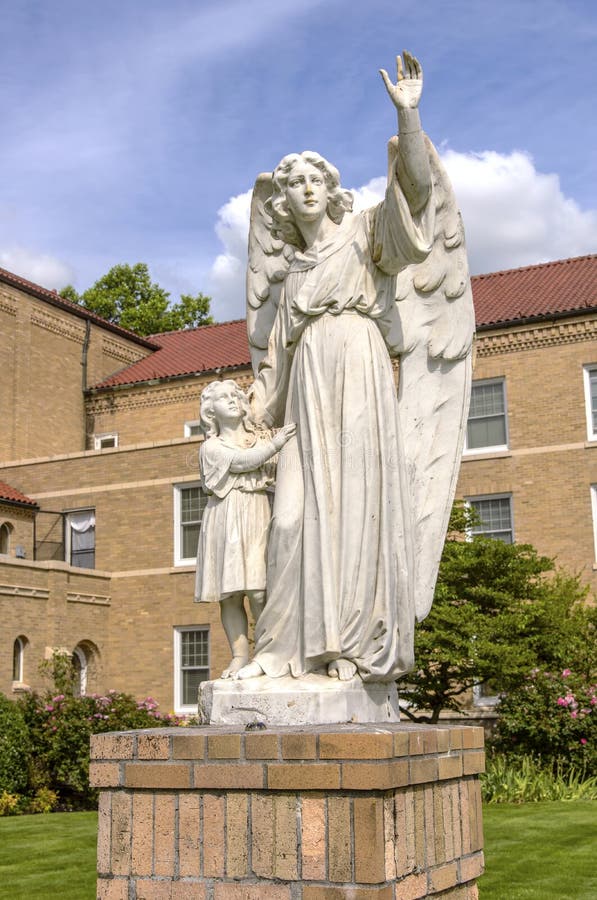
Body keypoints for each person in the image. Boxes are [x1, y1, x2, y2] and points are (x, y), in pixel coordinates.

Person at [236, 52, 441, 683]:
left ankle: (346, 647)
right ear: (281, 204)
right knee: (291, 519)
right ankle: (280, 651)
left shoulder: (365, 233)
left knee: (353, 513)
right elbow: (275, 359)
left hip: (356, 367)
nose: (303, 188)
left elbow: (415, 194)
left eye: (314, 180)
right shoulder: (291, 273)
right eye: (292, 182)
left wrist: (408, 121)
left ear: (330, 191)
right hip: (306, 390)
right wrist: (253, 420)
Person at [194, 379, 295, 678]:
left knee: (260, 589)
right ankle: (240, 655)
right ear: (210, 412)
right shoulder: (212, 447)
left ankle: (267, 653)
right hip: (226, 517)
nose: (232, 400)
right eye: (223, 398)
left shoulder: (261, 437)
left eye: (236, 395)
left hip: (257, 513)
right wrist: (277, 444)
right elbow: (242, 462)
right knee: (231, 593)